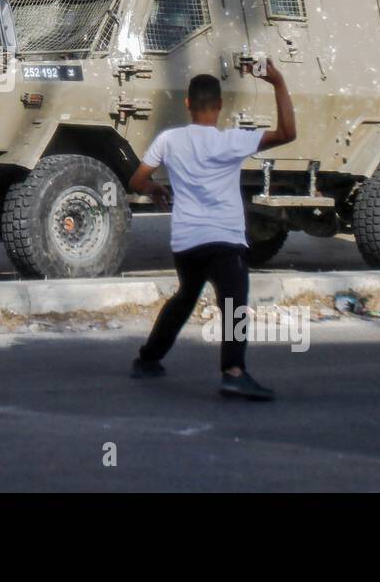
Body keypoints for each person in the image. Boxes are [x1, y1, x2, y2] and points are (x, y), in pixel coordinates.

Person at [127, 60, 296, 400]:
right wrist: (277, 82)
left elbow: (137, 180)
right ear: (220, 106)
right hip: (224, 240)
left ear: (187, 104)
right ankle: (233, 372)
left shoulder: (169, 140)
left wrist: (155, 190)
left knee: (186, 297)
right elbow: (287, 133)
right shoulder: (233, 141)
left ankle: (148, 359)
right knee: (233, 305)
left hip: (186, 243)